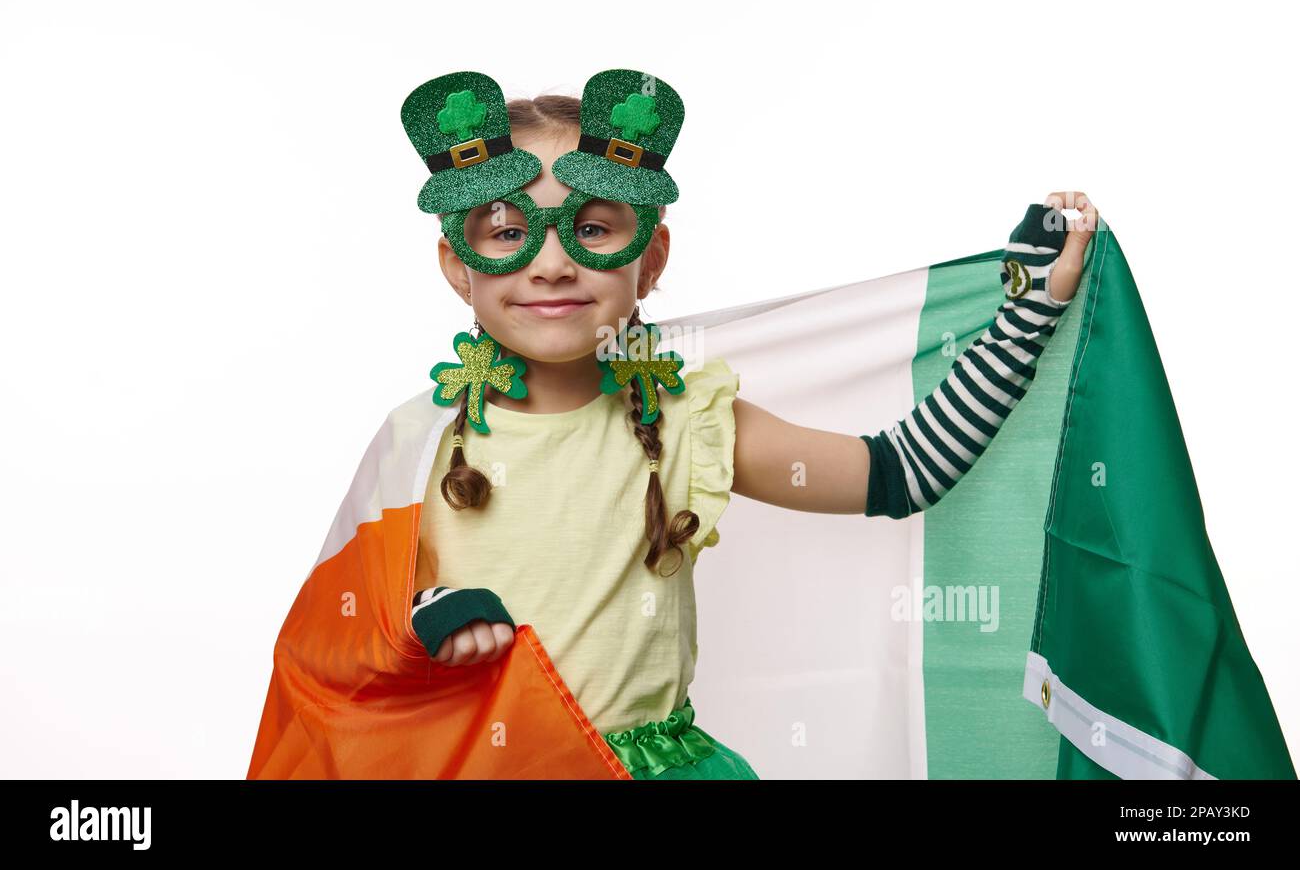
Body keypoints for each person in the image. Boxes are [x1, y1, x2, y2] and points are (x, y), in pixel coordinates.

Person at [400, 69, 1097, 780]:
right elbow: (351, 629)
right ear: (459, 265)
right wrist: (428, 605)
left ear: (651, 257)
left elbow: (903, 470)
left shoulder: (686, 421)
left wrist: (1026, 314)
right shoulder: (412, 446)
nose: (552, 264)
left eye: (591, 228)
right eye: (510, 231)